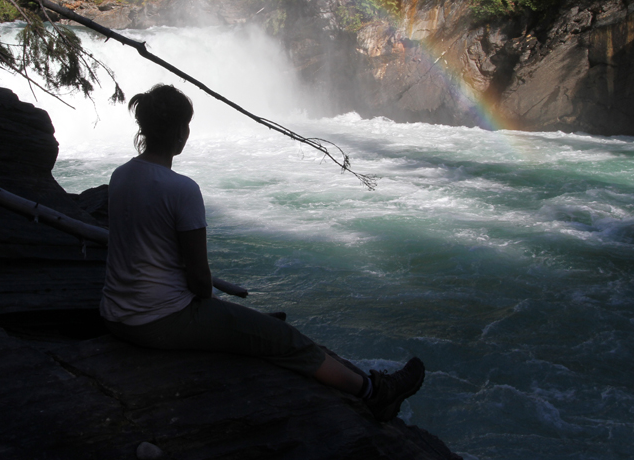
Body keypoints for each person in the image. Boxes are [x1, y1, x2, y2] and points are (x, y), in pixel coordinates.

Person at [100, 84, 424, 422]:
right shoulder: (181, 189)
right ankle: (375, 393)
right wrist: (211, 308)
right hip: (156, 322)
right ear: (180, 131)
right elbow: (199, 279)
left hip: (115, 315)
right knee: (285, 339)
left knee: (255, 326)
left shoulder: (121, 175)